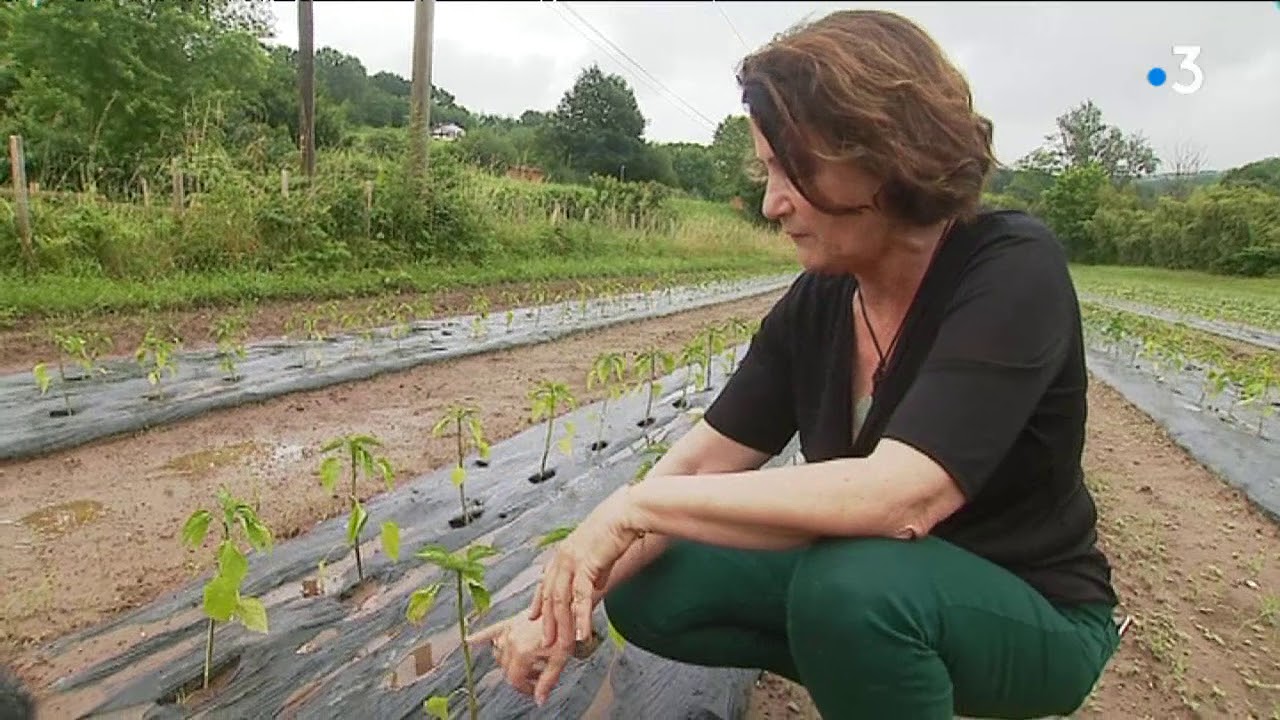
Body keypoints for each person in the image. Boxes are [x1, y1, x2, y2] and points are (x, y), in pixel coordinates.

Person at [470, 9, 1121, 718]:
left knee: (850, 588)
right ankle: (873, 673)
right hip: (884, 592)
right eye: (767, 169)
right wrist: (563, 605)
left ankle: (874, 655)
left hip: (1033, 610)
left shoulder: (1008, 268)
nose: (770, 202)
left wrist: (633, 506)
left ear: (884, 153)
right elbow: (695, 467)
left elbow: (900, 498)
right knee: (654, 585)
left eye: (792, 169)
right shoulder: (819, 303)